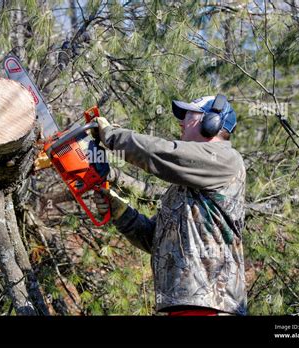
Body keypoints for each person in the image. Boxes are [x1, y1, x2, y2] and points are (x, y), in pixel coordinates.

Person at [93, 95, 247, 316]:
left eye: (188, 115)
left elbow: (163, 153)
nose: (181, 122)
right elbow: (155, 240)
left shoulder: (226, 159)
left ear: (211, 121)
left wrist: (112, 137)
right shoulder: (180, 190)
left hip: (211, 305)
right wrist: (121, 213)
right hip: (182, 305)